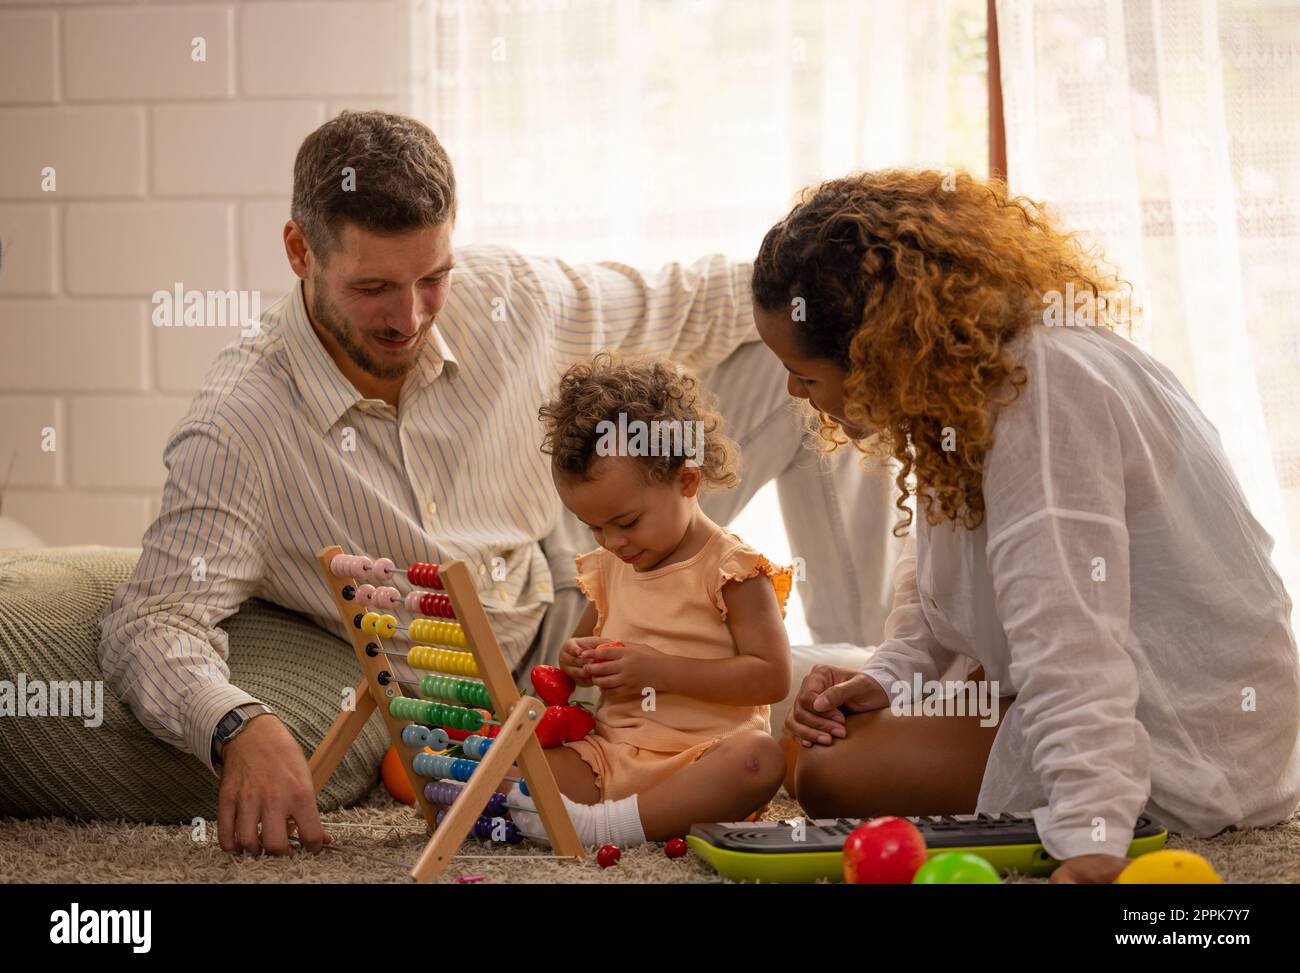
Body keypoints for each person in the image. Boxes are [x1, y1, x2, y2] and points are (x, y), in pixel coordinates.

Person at [97, 111, 902, 858]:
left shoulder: (505, 297)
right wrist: (236, 723)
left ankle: (869, 652)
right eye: (373, 287)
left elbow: (691, 300)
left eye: (432, 278)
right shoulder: (239, 425)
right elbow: (152, 619)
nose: (409, 319)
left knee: (793, 350)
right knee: (782, 717)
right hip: (473, 681)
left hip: (588, 586)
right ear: (300, 252)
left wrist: (894, 284)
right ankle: (851, 677)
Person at [754, 169, 1300, 883]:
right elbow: (938, 579)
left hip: (1186, 728)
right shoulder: (970, 375)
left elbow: (1070, 630)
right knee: (804, 735)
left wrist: (1091, 837)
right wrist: (891, 675)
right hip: (1116, 678)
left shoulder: (1041, 395)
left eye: (802, 371)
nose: (794, 392)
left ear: (874, 350)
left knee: (826, 771)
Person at [507, 353, 792, 847]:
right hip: (613, 754)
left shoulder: (733, 569)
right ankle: (629, 816)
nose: (611, 542)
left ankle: (608, 827)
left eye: (626, 522)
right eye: (593, 526)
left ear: (687, 481)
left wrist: (658, 671)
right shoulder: (612, 567)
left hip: (703, 761)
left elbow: (771, 676)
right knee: (513, 762)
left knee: (760, 759)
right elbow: (580, 652)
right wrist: (576, 661)